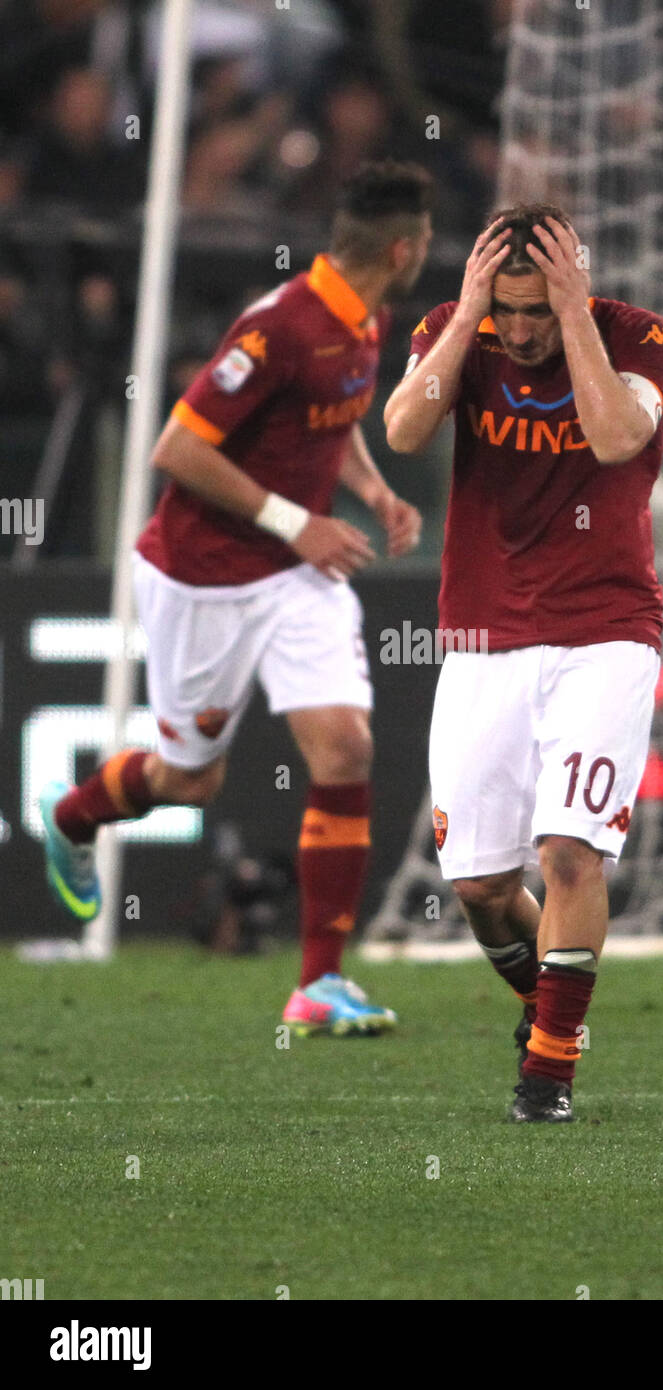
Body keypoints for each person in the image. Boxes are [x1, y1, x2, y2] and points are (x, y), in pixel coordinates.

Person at [40, 159, 433, 1037]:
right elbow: (176, 448)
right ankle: (72, 818)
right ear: (404, 248)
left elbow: (330, 418)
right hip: (202, 575)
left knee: (343, 748)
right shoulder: (280, 327)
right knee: (191, 779)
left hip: (296, 578)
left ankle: (319, 985)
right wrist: (298, 521)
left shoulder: (366, 318)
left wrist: (371, 493)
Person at [384, 204, 663, 1120]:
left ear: (570, 289)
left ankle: (548, 1074)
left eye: (534, 309)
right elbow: (400, 433)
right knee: (475, 884)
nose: (517, 330)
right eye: (503, 310)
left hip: (605, 630)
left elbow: (615, 437)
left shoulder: (638, 337)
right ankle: (546, 1008)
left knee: (566, 853)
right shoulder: (457, 331)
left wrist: (575, 316)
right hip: (481, 632)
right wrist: (465, 310)